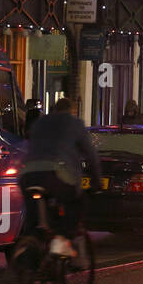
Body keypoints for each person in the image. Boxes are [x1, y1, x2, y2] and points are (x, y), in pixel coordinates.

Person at [19, 97, 102, 262]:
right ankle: (61, 240)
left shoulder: (40, 123)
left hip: (27, 175)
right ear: (72, 111)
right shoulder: (75, 123)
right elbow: (91, 155)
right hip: (55, 173)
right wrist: (96, 181)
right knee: (77, 202)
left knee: (34, 221)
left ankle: (27, 263)